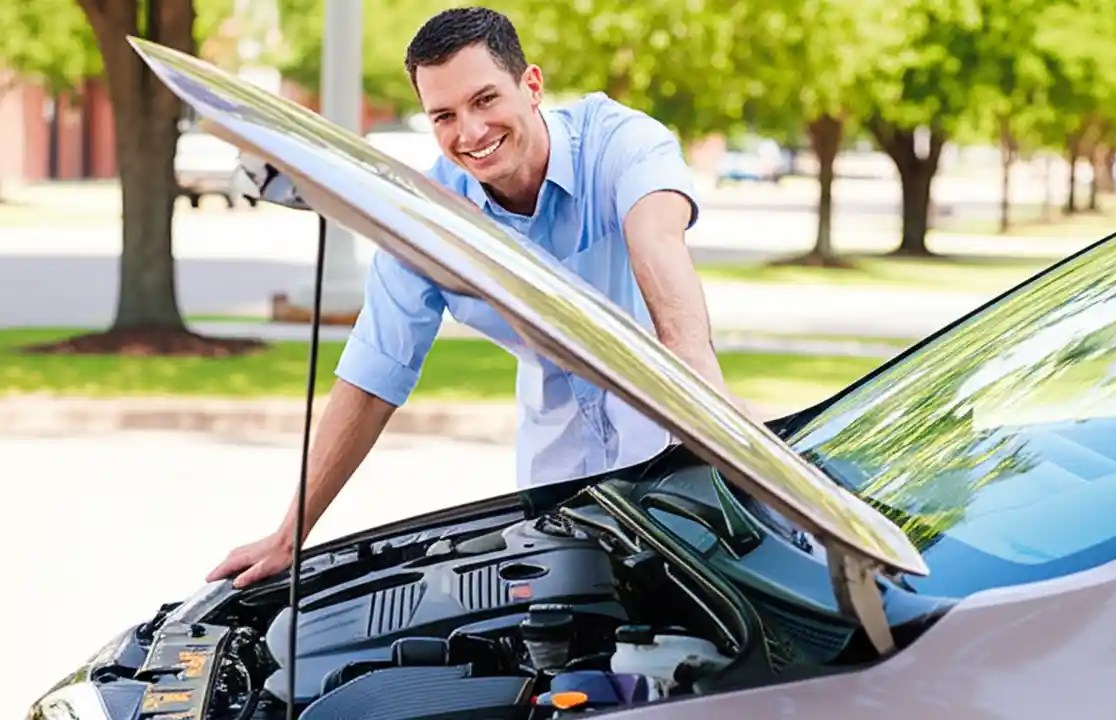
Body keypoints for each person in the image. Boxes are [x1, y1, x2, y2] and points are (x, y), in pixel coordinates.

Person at [208, 6, 747, 589]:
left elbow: (668, 282)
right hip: (552, 470)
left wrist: (728, 458)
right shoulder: (429, 216)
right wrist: (290, 535)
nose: (469, 133)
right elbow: (373, 375)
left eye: (485, 100)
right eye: (444, 115)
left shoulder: (622, 145)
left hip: (672, 451)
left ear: (531, 85)